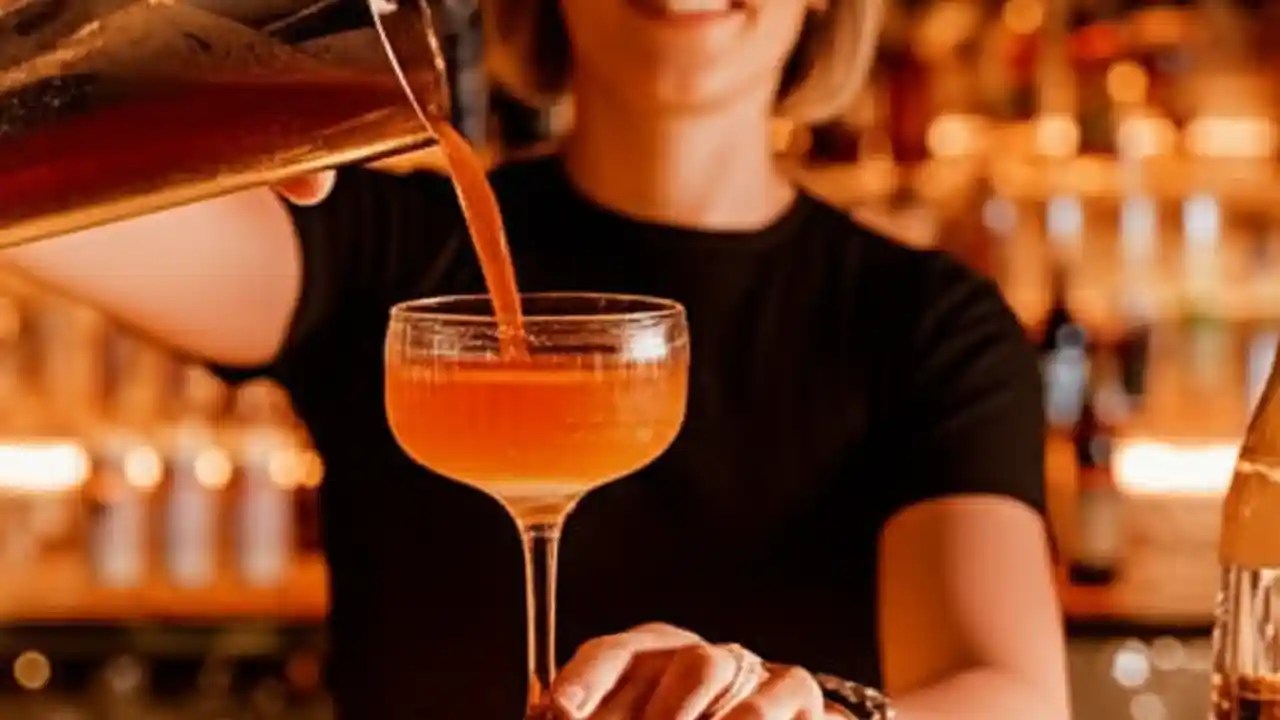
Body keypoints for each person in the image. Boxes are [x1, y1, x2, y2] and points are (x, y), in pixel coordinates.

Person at [3, 0, 1071, 717]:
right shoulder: (381, 254)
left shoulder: (925, 323)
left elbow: (1012, 692)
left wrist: (809, 713)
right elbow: (28, 170)